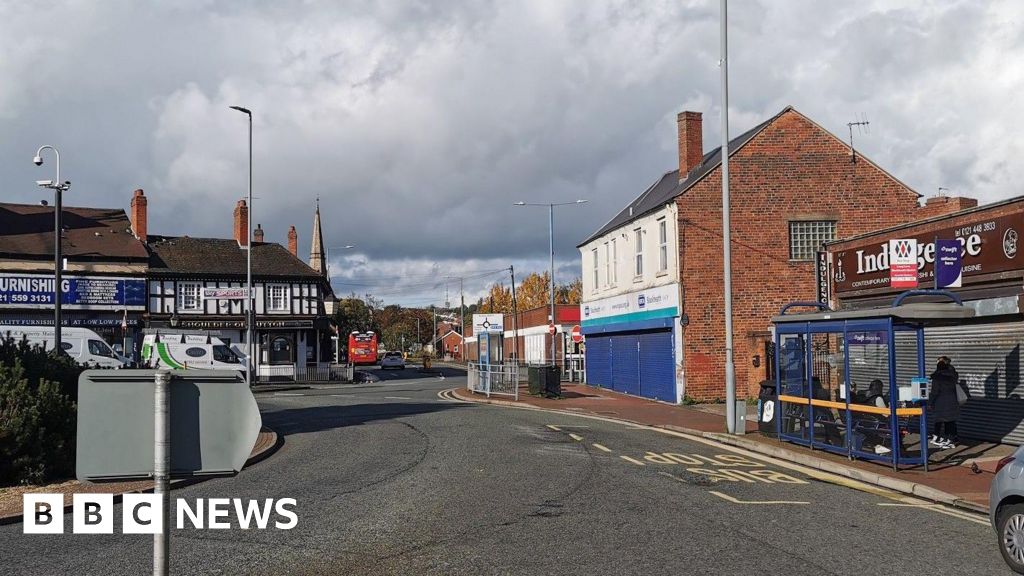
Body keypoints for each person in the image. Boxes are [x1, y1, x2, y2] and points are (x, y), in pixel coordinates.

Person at [928, 356, 960, 450]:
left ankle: (949, 441)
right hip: (952, 401)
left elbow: (934, 392)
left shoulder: (937, 377)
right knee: (950, 421)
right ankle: (949, 440)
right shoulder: (952, 375)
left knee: (944, 421)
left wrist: (930, 403)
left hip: (941, 402)